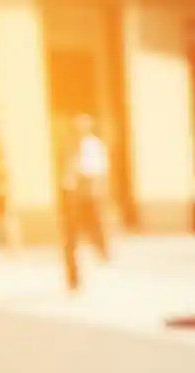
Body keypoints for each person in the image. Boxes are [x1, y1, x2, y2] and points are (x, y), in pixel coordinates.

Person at [60, 115, 111, 290]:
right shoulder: (68, 145)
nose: (78, 129)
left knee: (96, 230)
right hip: (72, 195)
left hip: (88, 195)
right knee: (70, 238)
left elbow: (98, 171)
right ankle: (73, 278)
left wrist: (91, 189)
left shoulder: (93, 145)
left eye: (82, 125)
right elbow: (66, 172)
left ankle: (102, 257)